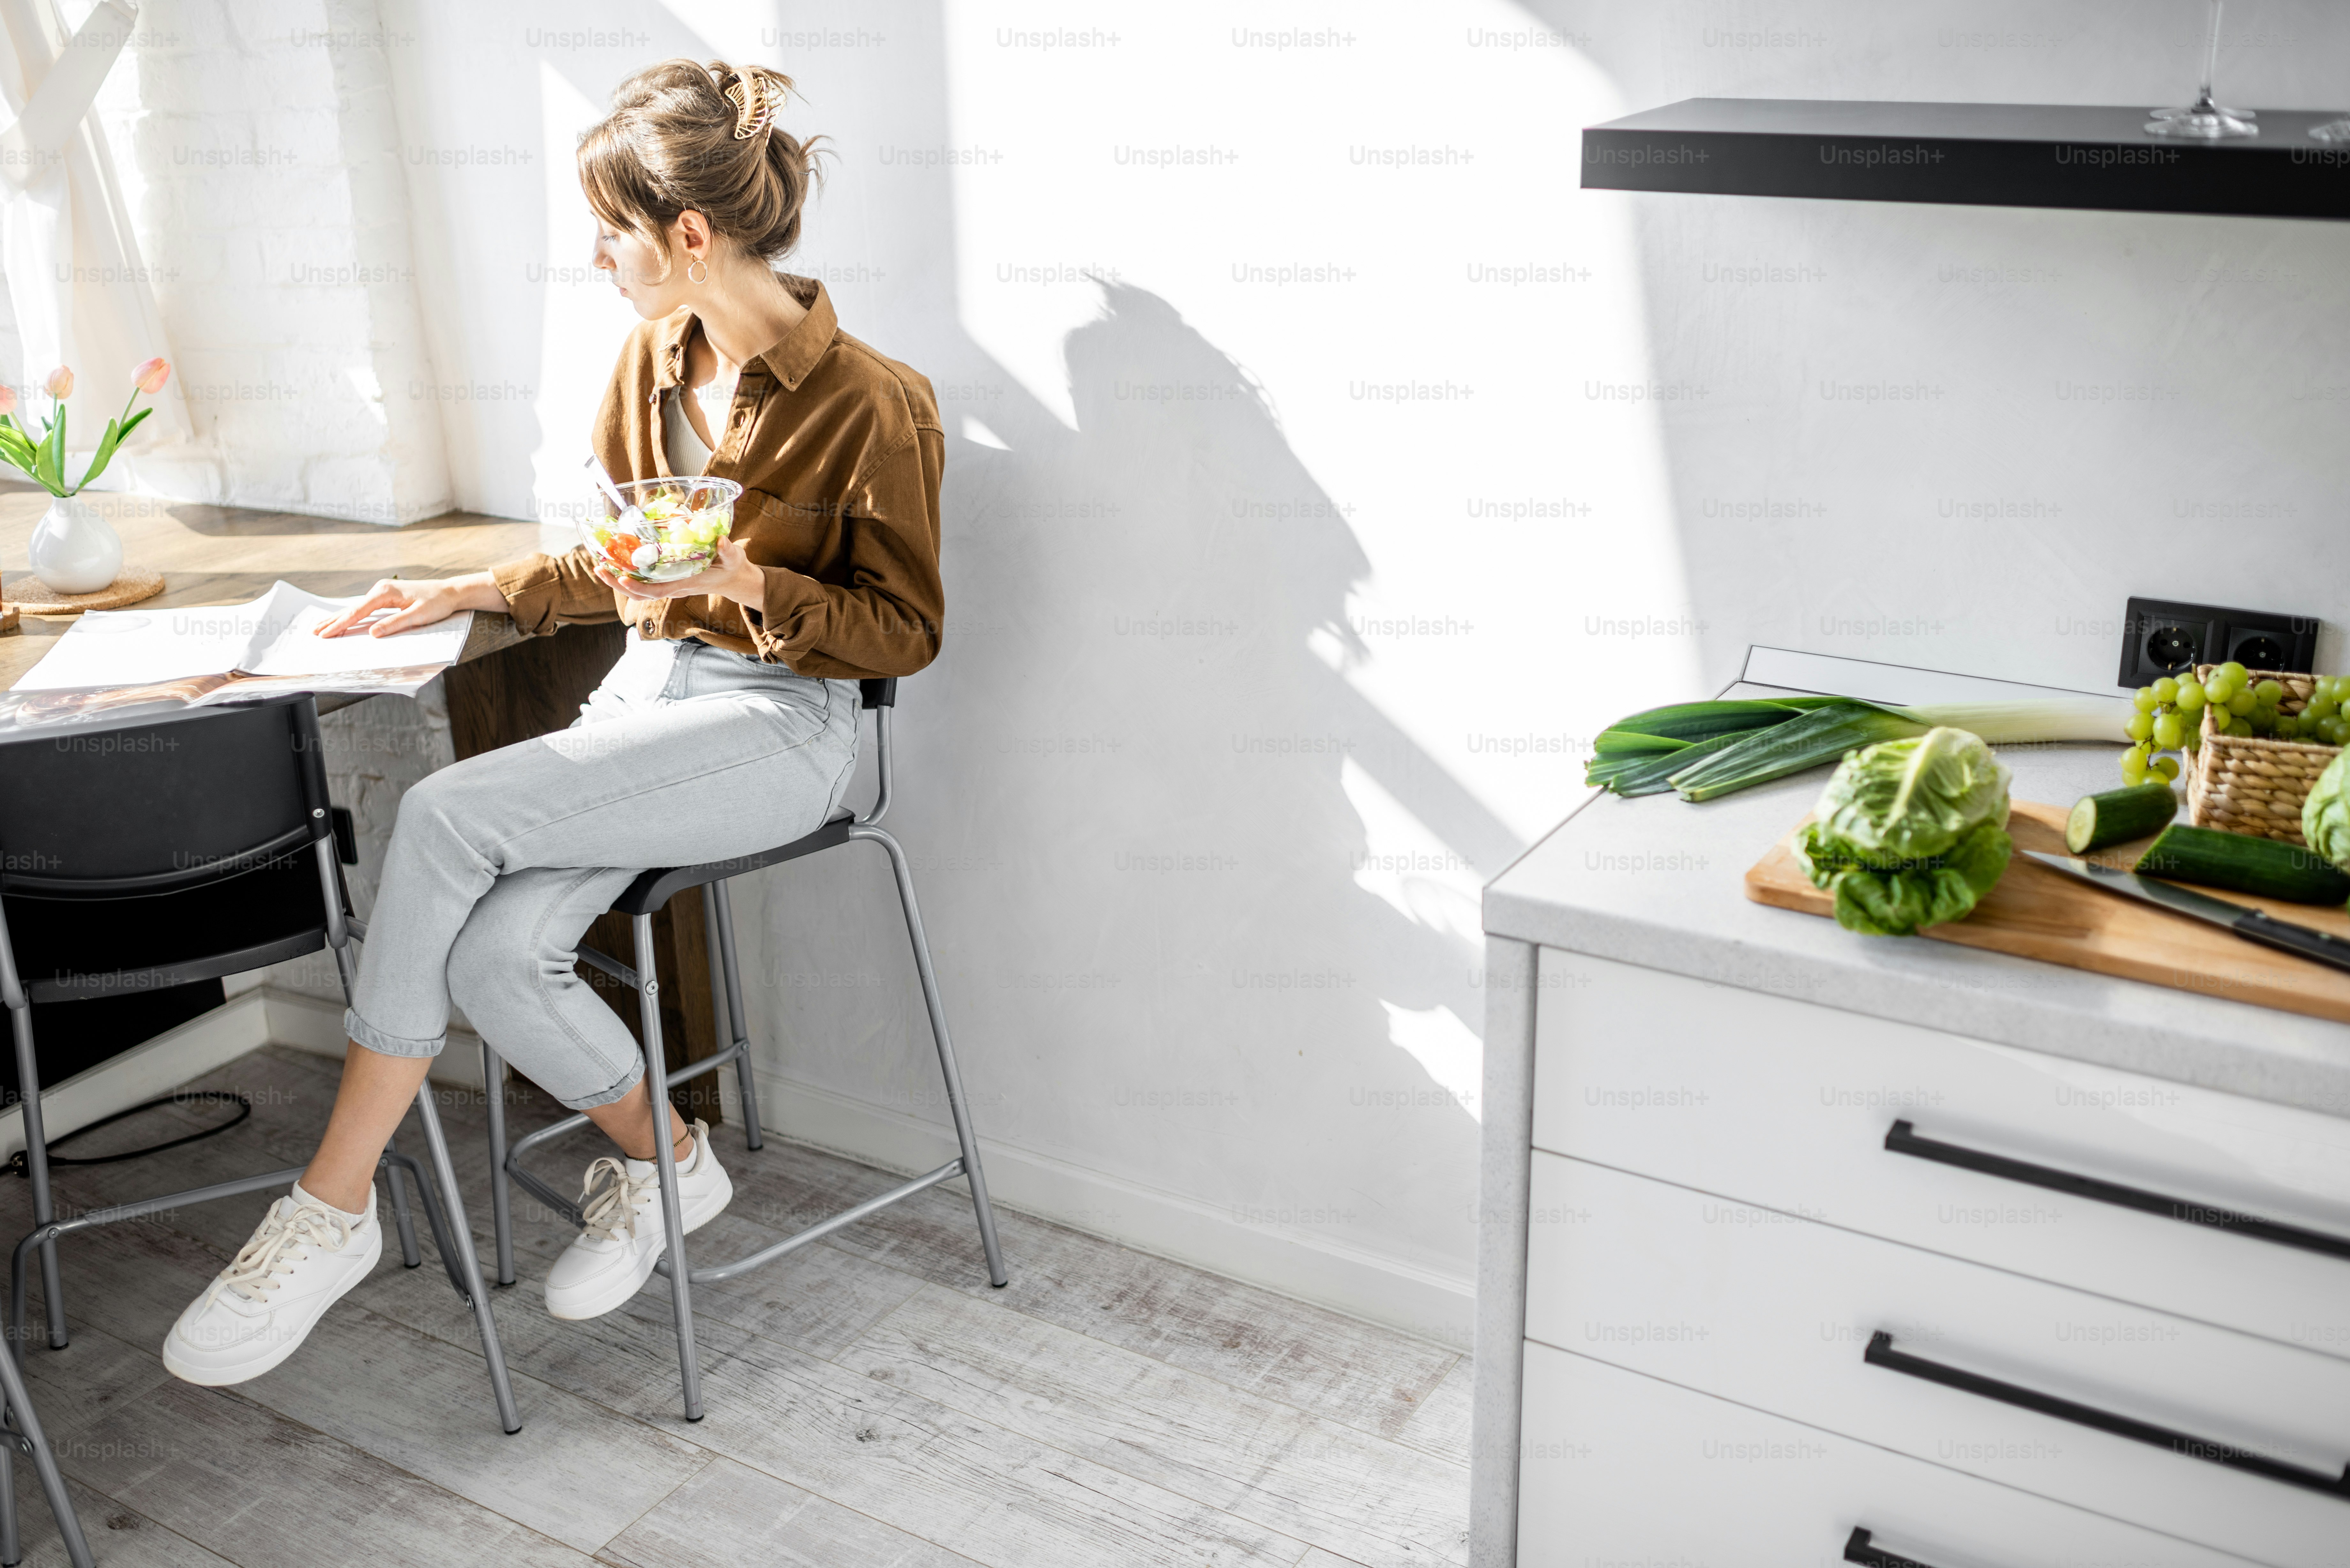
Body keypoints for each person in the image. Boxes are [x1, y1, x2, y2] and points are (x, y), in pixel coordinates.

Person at [162, 59, 945, 1386]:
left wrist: (751, 581)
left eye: (611, 231)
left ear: (686, 236)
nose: (597, 257)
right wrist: (467, 588)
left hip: (783, 729)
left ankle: (329, 1208)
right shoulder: (652, 356)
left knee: (442, 810)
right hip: (645, 701)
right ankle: (669, 1163)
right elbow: (618, 559)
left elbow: (907, 634)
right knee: (490, 963)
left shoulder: (874, 402)